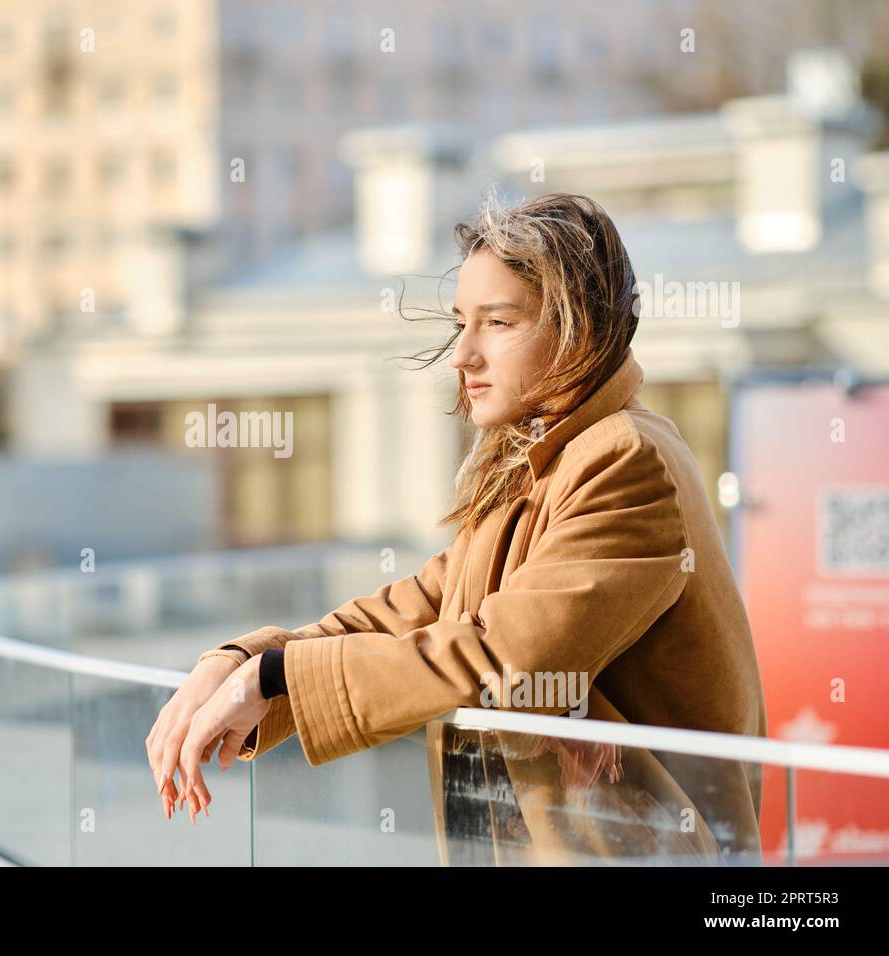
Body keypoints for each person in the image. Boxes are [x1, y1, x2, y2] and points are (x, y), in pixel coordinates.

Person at [144, 191, 767, 863]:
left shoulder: (624, 461)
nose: (461, 355)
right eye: (460, 323)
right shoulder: (530, 462)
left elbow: (503, 658)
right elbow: (418, 607)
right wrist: (244, 660)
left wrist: (276, 677)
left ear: (578, 328)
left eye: (497, 323)